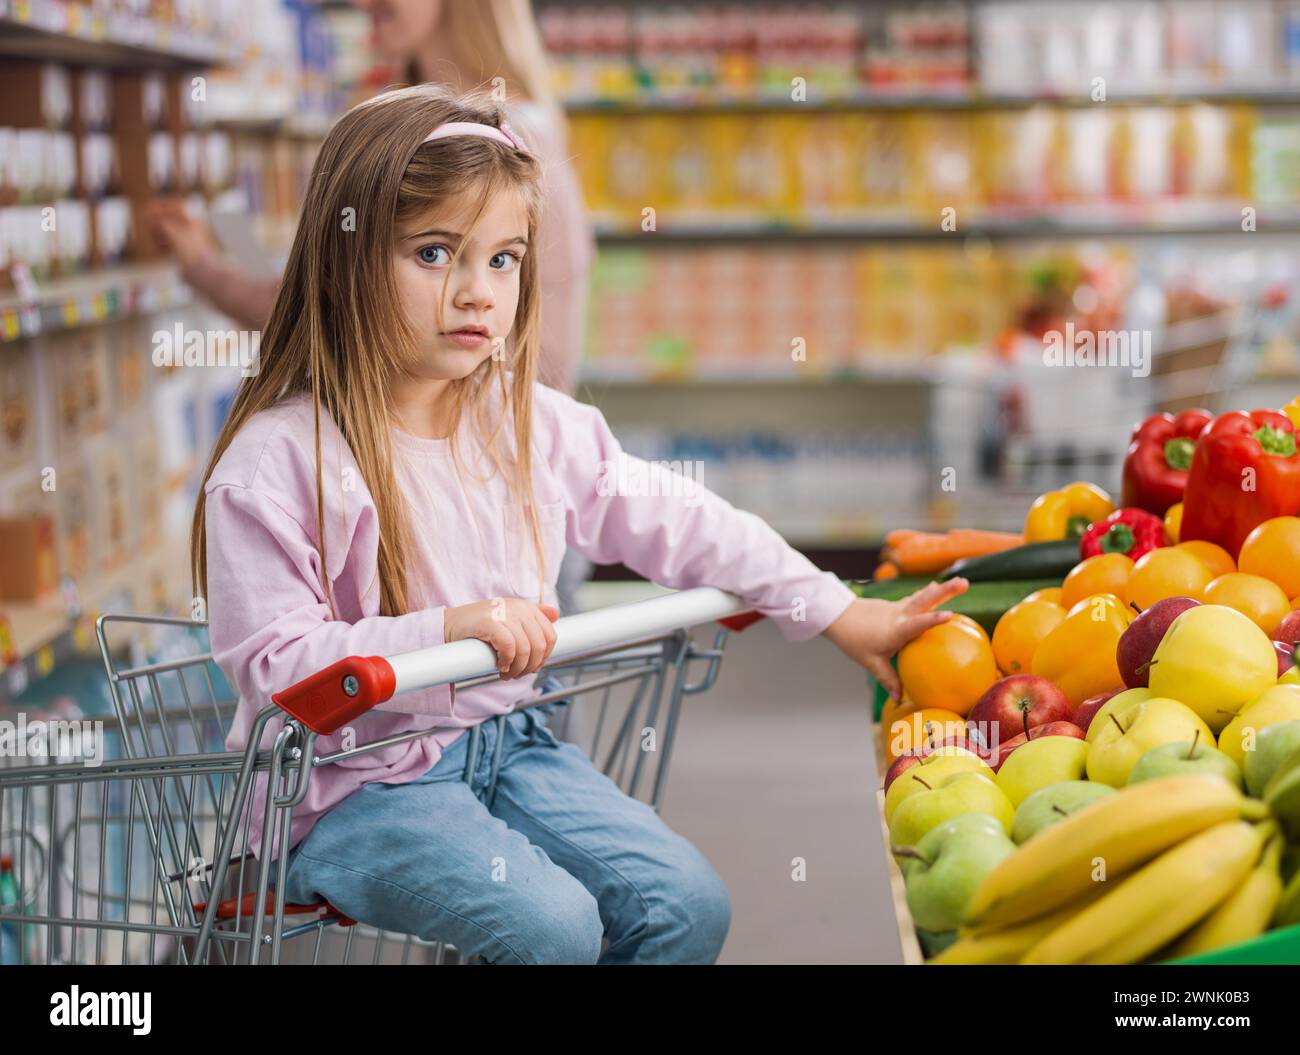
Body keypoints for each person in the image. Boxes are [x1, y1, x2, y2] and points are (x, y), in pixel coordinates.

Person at [193, 85, 968, 965]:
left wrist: (831, 607)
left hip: (508, 745)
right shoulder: (278, 462)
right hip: (349, 791)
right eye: (435, 251)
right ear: (345, 256)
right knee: (553, 927)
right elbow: (275, 667)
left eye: (503, 259)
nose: (476, 292)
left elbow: (683, 519)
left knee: (685, 905)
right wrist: (448, 630)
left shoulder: (526, 422)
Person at [156, 0, 596, 614]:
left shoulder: (497, 142)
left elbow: (320, 298)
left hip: (497, 488)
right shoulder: (426, 122)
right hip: (447, 478)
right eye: (436, 254)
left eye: (500, 261)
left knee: (513, 686)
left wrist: (204, 267)